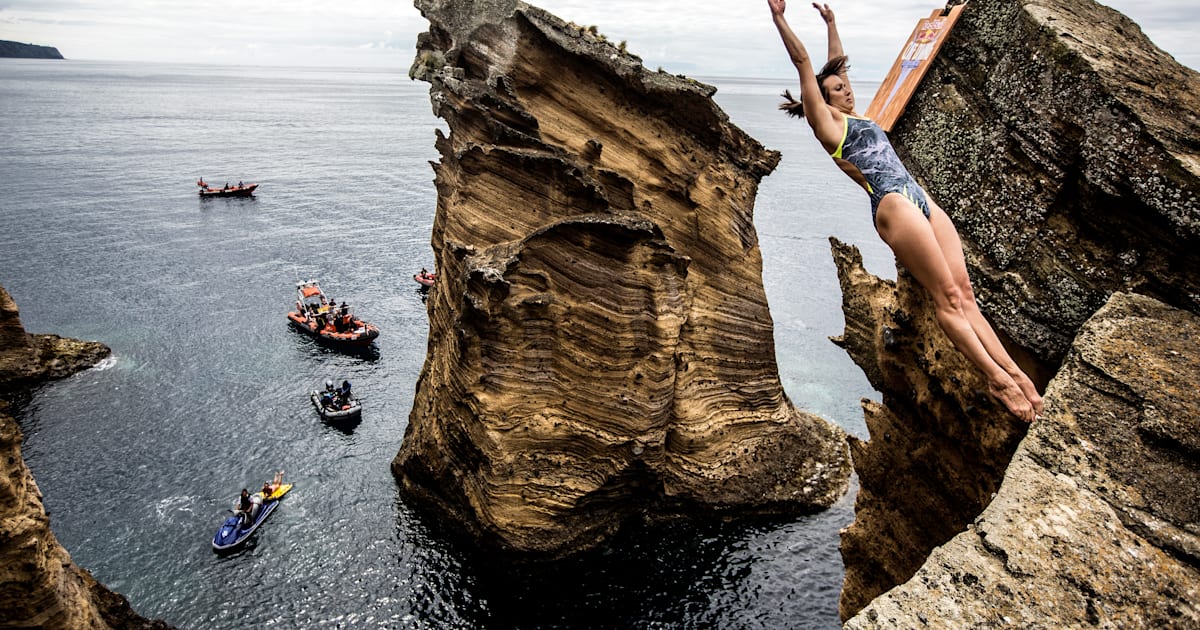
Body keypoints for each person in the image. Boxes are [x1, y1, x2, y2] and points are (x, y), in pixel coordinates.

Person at [767, 1, 1042, 423]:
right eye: (838, 89)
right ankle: (995, 380)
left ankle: (1016, 374)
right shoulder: (827, 127)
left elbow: (833, 65)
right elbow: (805, 63)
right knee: (947, 297)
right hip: (891, 203)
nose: (847, 90)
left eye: (846, 85)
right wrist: (780, 18)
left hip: (916, 193)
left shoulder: (859, 115)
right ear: (821, 100)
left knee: (965, 293)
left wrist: (832, 22)